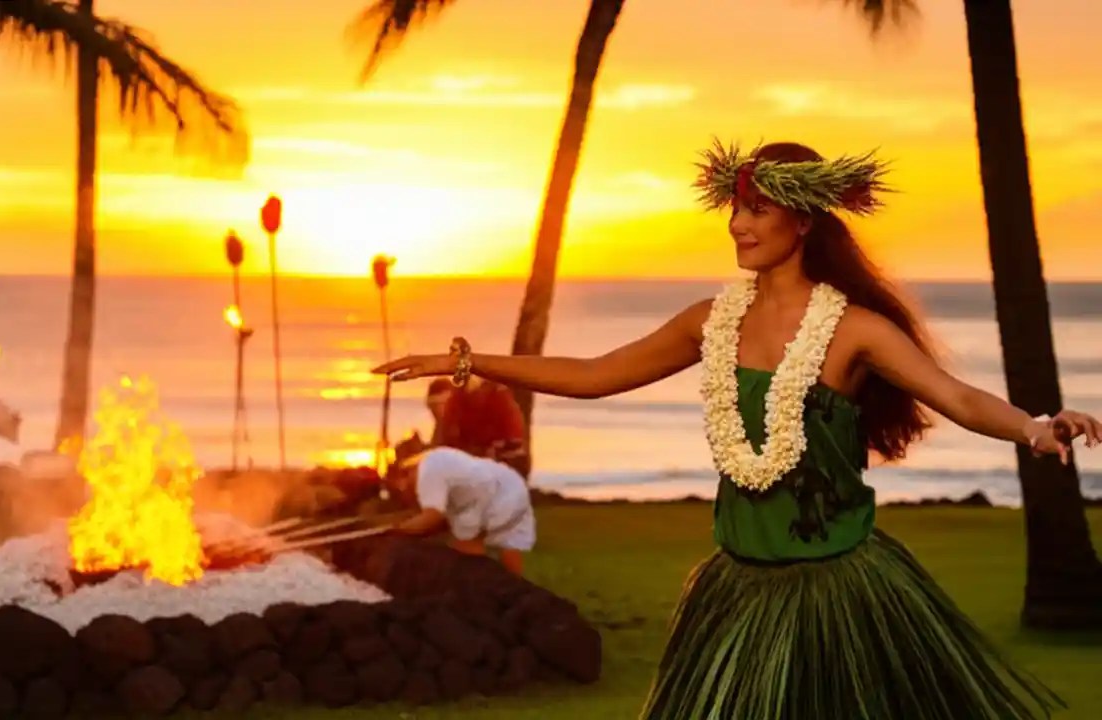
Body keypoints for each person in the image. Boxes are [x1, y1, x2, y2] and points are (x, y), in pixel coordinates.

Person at [373, 141, 1100, 718]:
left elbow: (956, 395)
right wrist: (466, 362)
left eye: (758, 209)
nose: (739, 225)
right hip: (738, 591)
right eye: (735, 209)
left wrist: (1034, 428)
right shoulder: (709, 321)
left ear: (804, 221)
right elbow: (596, 373)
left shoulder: (853, 330)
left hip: (838, 592)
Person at [388, 445, 535, 575]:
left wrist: (399, 530)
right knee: (473, 545)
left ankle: (508, 588)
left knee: (476, 547)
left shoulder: (427, 471)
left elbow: (433, 516)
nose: (403, 486)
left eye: (403, 477)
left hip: (494, 492)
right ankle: (501, 587)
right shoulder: (437, 461)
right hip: (499, 484)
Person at [429, 375, 530, 478]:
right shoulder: (455, 408)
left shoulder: (495, 398)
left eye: (440, 404)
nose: (437, 410)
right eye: (433, 406)